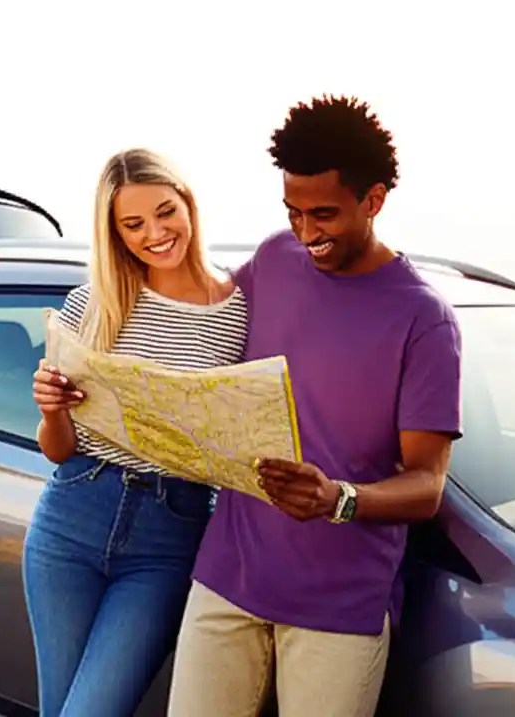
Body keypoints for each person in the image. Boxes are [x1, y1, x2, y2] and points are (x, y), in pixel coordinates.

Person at [167, 95, 464, 717]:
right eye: (293, 211)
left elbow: (426, 485)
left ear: (374, 200)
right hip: (227, 579)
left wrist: (340, 498)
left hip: (339, 610)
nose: (306, 232)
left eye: (323, 214)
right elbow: (204, 339)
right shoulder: (275, 257)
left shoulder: (423, 320)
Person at [22, 148, 247, 716]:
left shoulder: (240, 312)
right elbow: (57, 451)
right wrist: (51, 410)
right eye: (133, 224)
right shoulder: (93, 305)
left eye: (165, 212)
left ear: (188, 204)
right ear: (115, 232)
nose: (155, 233)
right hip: (70, 519)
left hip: (168, 537)